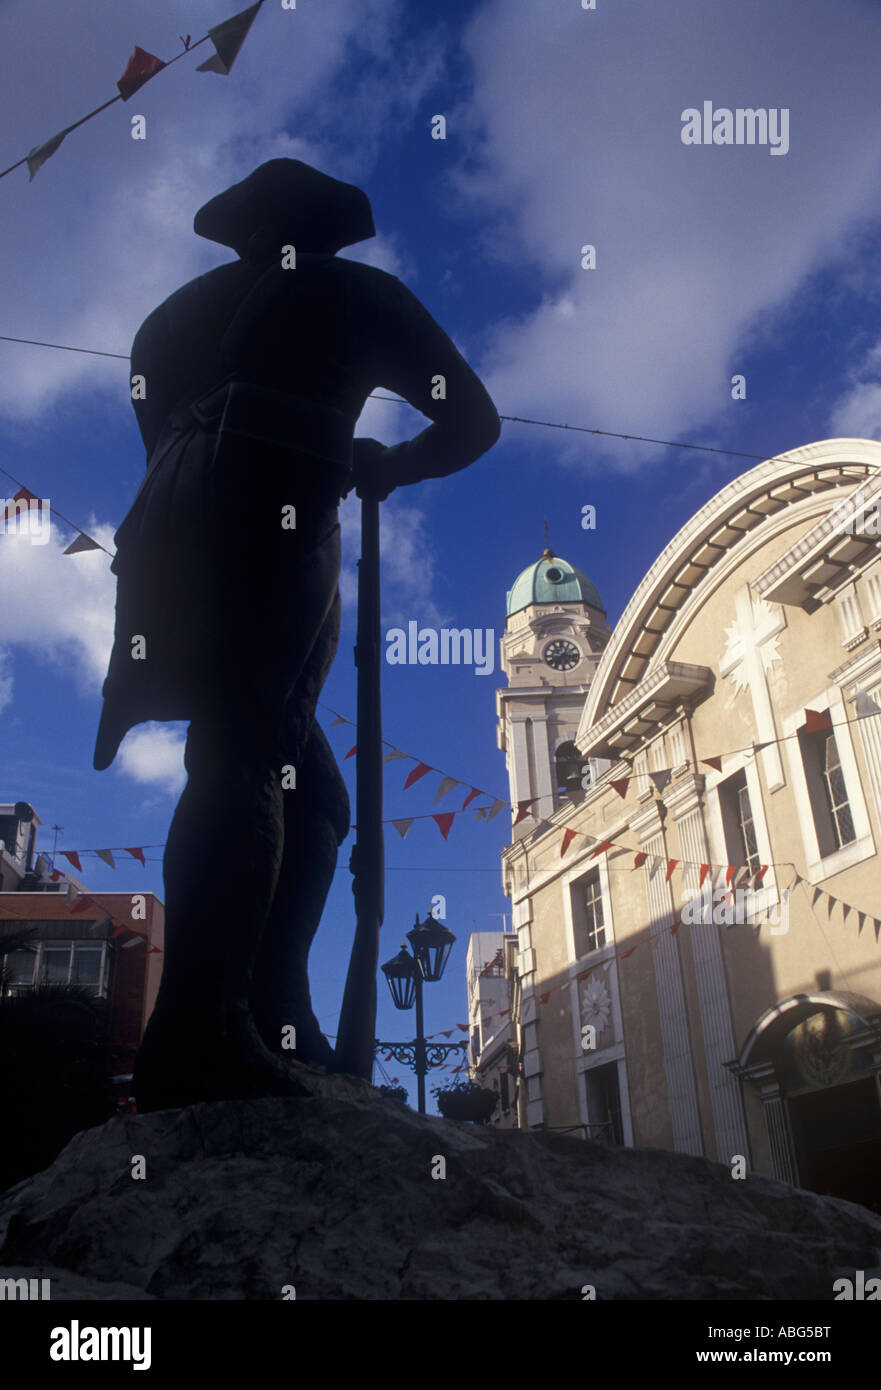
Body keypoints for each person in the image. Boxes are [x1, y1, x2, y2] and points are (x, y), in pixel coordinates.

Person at [93, 159, 500, 1111]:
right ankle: (197, 1031)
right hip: (277, 517)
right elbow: (471, 421)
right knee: (242, 756)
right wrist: (388, 466)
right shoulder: (351, 289)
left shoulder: (167, 318)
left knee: (309, 791)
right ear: (326, 228)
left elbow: (156, 443)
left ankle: (271, 1013)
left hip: (165, 535)